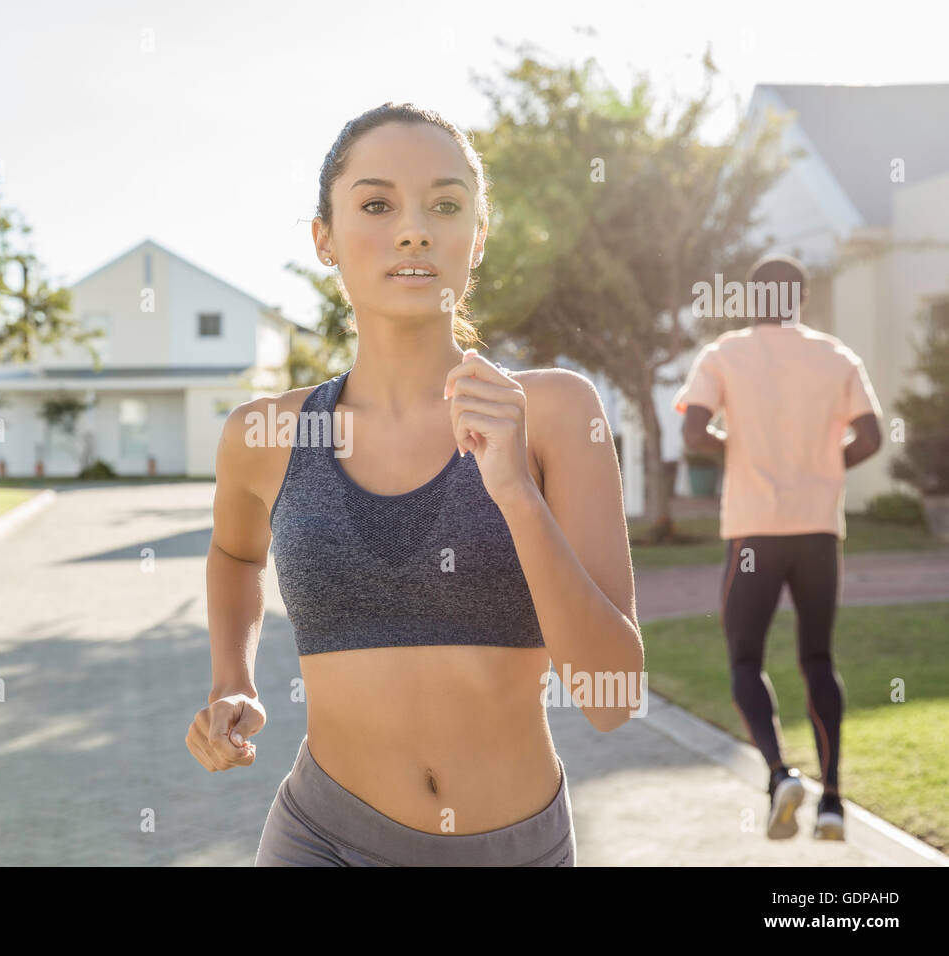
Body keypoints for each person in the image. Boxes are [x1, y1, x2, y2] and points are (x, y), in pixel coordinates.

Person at [184, 102, 643, 866]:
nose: (413, 229)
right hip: (320, 837)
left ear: (478, 237)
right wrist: (233, 682)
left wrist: (515, 491)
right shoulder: (266, 436)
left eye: (445, 204)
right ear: (323, 239)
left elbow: (610, 700)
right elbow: (235, 556)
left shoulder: (558, 412)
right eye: (376, 204)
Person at [673, 254, 884, 842]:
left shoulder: (723, 354)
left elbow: (692, 434)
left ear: (749, 300)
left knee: (745, 660)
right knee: (818, 658)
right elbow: (871, 435)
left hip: (753, 533)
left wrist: (739, 452)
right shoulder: (836, 356)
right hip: (818, 530)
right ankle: (834, 802)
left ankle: (778, 773)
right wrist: (823, 468)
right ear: (803, 300)